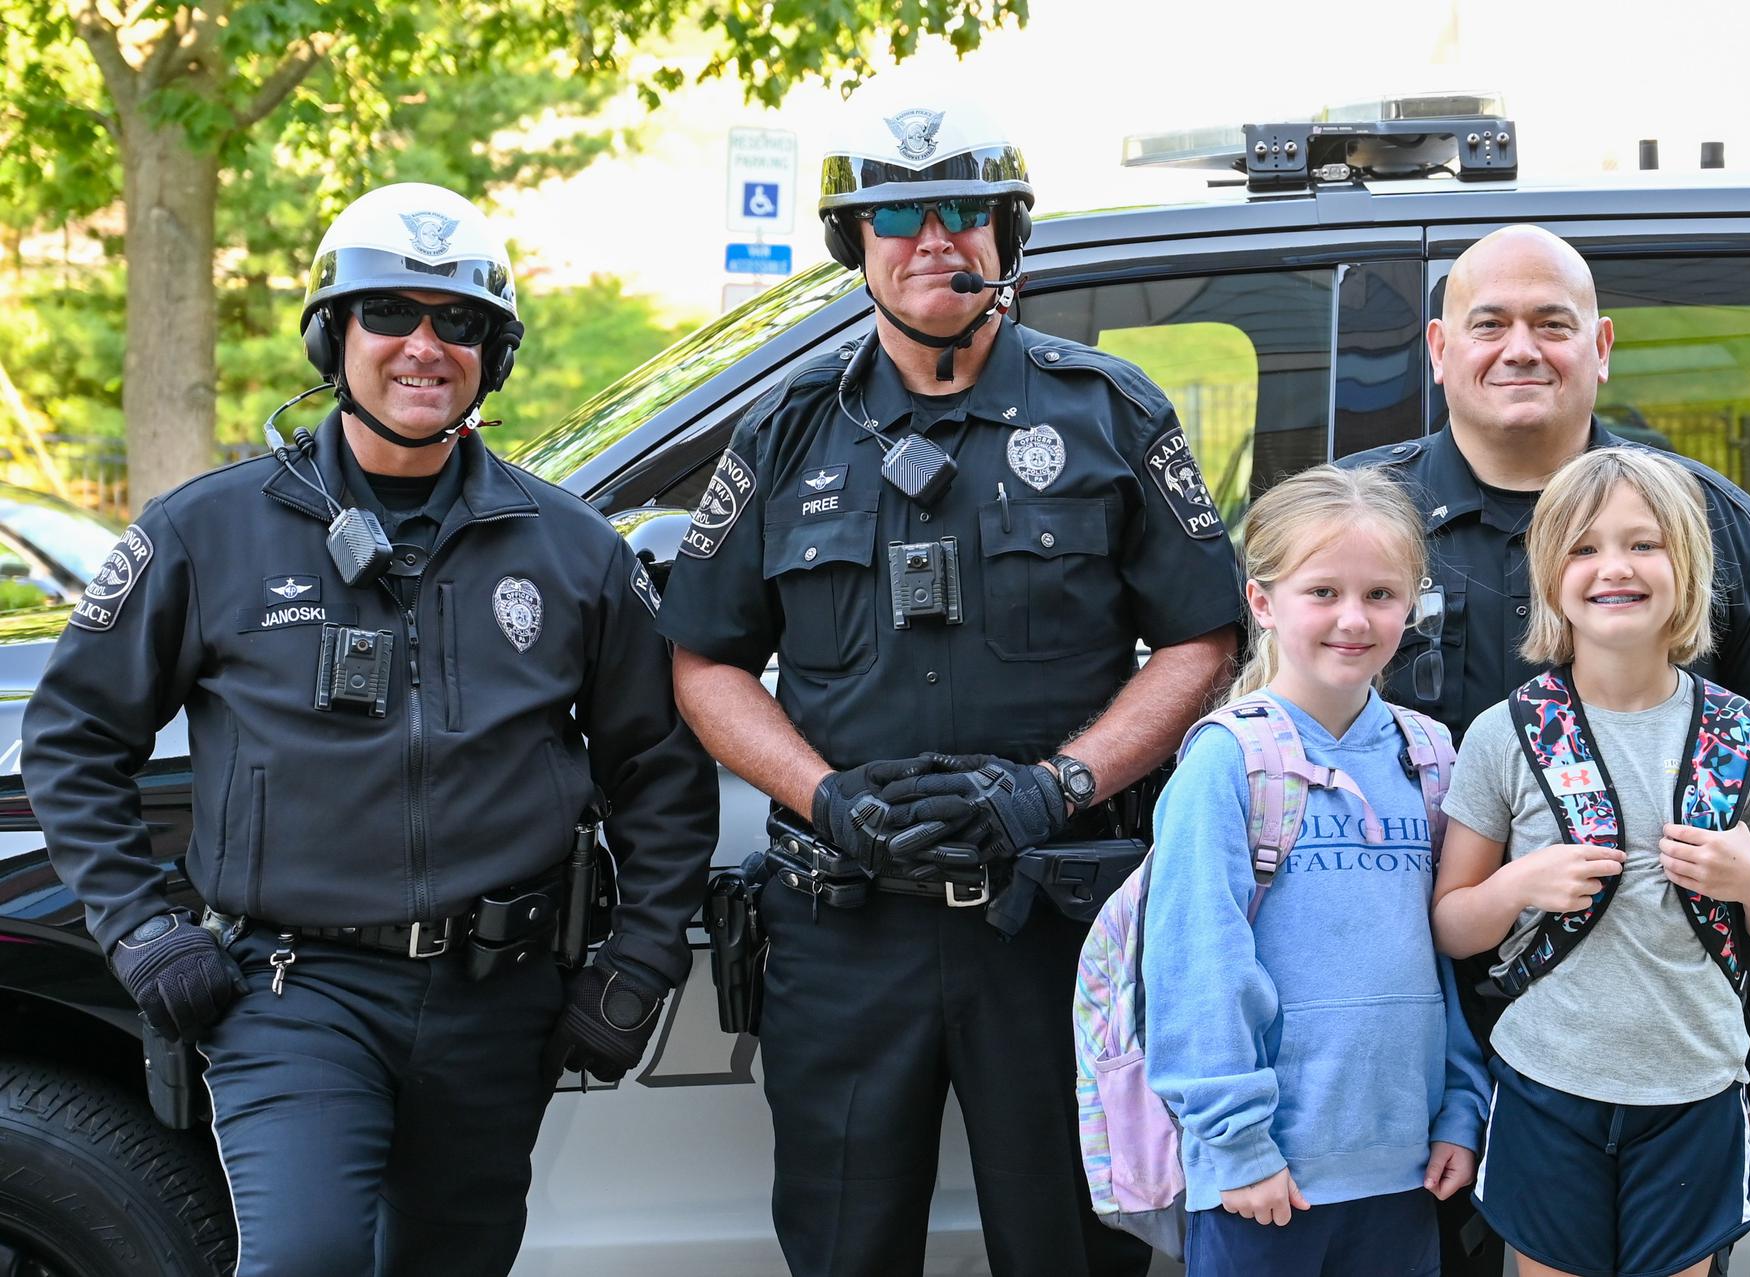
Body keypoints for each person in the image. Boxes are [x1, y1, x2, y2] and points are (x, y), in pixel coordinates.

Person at [20, 182, 717, 1277]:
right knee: (304, 1257)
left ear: (496, 354)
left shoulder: (577, 553)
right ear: (332, 332)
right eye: (389, 313)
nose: (423, 348)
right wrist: (143, 927)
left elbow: (659, 775)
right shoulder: (205, 531)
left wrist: (636, 960)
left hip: (501, 999)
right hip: (295, 989)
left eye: (461, 325)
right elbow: (71, 736)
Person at [657, 82, 1241, 1277]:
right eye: (898, 217)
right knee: (841, 1248)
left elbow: (1204, 641)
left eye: (965, 211)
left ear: (1006, 235)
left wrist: (1061, 783)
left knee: (1071, 1250)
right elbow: (703, 660)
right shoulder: (785, 433)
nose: (935, 239)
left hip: (1054, 924)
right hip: (842, 924)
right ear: (855, 248)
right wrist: (825, 797)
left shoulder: (1107, 413)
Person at [1340, 225, 1750, 1273]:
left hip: (1653, 1038)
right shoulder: (1362, 518)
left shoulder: (1702, 517)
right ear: (1439, 348)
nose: (1519, 348)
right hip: (1393, 1014)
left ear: (1603, 344)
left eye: (1552, 324)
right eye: (1489, 323)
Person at [1430, 446, 1750, 1277]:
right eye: (1584, 546)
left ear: (1690, 567)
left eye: (1645, 544)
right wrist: (1518, 883)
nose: (1616, 567)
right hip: (1545, 1085)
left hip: (1695, 1092)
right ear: (1549, 575)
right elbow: (1454, 923)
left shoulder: (1744, 737)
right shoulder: (1507, 734)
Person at [1143, 464, 1488, 1277]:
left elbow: (1449, 961)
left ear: (1413, 604)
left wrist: (1462, 1107)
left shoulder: (1429, 757)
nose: (1353, 619)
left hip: (1404, 1171)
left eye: (1380, 594)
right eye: (1322, 592)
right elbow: (1198, 968)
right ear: (1262, 602)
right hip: (1267, 1179)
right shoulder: (1228, 763)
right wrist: (1237, 1144)